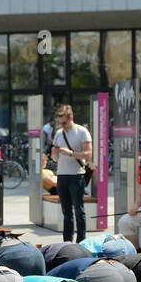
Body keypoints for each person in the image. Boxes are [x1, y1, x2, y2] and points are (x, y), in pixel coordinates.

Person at [51, 105, 92, 244]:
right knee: (66, 211)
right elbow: (55, 158)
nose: (62, 125)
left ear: (71, 118)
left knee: (79, 211)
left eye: (64, 122)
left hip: (76, 175)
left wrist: (70, 153)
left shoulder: (82, 132)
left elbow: (88, 154)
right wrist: (54, 154)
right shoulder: (58, 133)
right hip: (62, 175)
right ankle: (67, 241)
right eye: (60, 123)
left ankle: (81, 241)